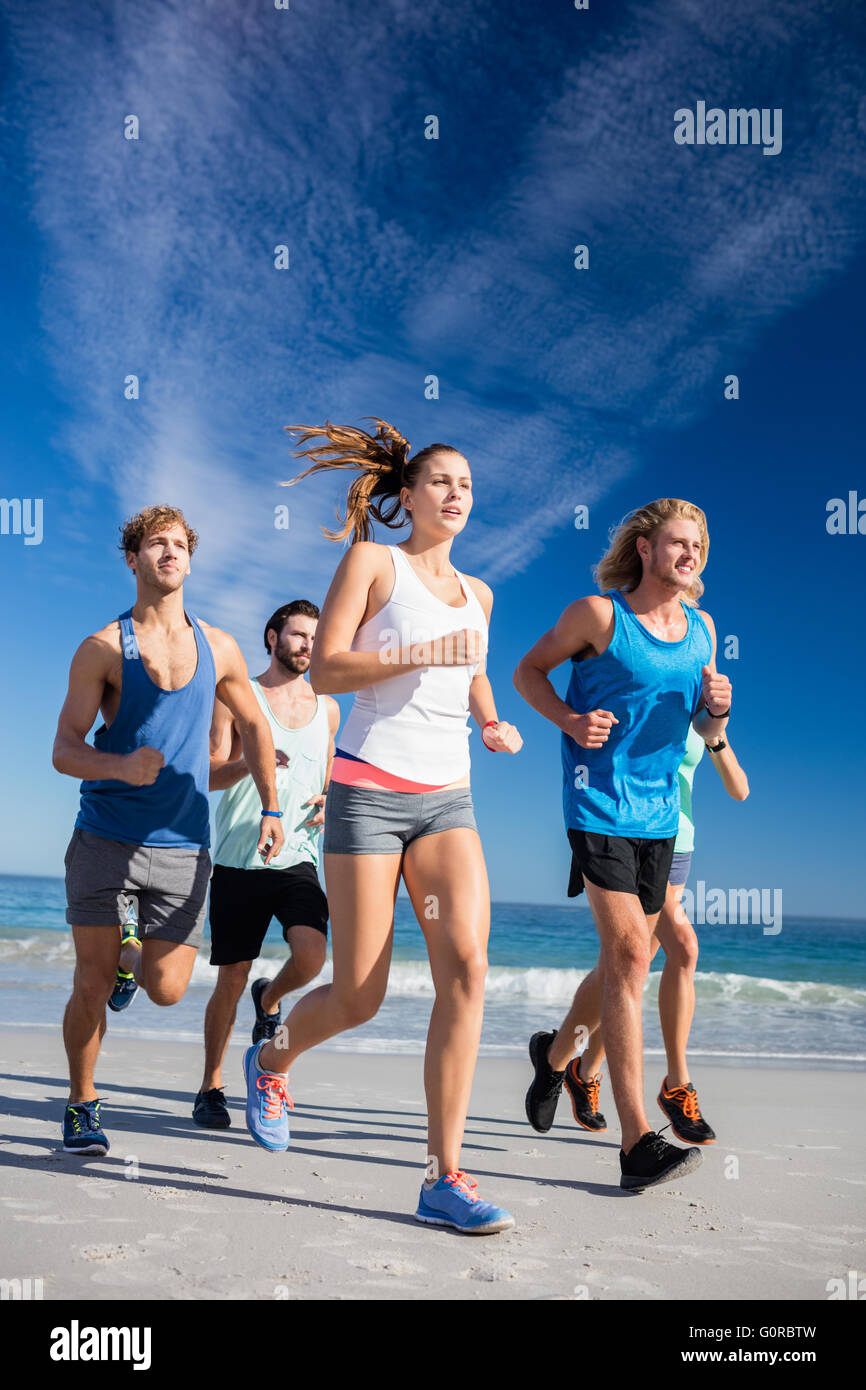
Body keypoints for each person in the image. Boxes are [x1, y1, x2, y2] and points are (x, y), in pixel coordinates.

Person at [241, 417, 523, 1235]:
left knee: (467, 968)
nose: (456, 494)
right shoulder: (374, 562)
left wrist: (495, 720)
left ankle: (444, 1175)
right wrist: (419, 655)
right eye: (440, 481)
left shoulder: (483, 595)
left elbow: (467, 672)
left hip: (448, 798)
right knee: (361, 994)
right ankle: (272, 1056)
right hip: (367, 791)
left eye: (467, 484)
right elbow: (327, 668)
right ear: (407, 496)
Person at [514, 498, 732, 1191]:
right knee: (636, 953)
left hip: (661, 816)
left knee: (622, 960)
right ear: (644, 547)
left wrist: (717, 712)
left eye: (697, 544)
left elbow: (694, 722)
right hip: (598, 803)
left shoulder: (702, 630)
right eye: (677, 542)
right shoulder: (599, 616)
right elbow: (527, 672)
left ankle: (555, 1058)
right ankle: (639, 1139)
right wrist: (571, 722)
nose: (690, 554)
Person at [52, 505, 284, 1155]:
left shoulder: (222, 647)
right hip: (104, 838)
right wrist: (120, 764)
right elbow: (65, 749)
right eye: (157, 544)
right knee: (90, 984)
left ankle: (135, 954)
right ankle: (81, 1104)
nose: (171, 553)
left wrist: (270, 805)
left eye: (180, 544)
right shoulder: (102, 647)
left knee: (167, 988)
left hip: (185, 847)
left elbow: (259, 727)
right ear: (133, 559)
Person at [563, 722, 749, 1144]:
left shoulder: (700, 707)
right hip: (637, 839)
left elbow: (740, 789)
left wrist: (714, 736)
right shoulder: (648, 688)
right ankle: (676, 1084)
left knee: (626, 970)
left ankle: (581, 1069)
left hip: (679, 847)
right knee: (683, 948)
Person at [193, 600, 339, 1128]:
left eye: (314, 639)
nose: (307, 646)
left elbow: (325, 780)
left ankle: (271, 996)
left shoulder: (329, 708)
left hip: (299, 856)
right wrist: (252, 761)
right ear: (272, 637)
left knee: (312, 958)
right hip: (238, 855)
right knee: (230, 977)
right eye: (298, 636)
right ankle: (211, 1086)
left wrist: (328, 799)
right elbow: (209, 774)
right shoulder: (239, 697)